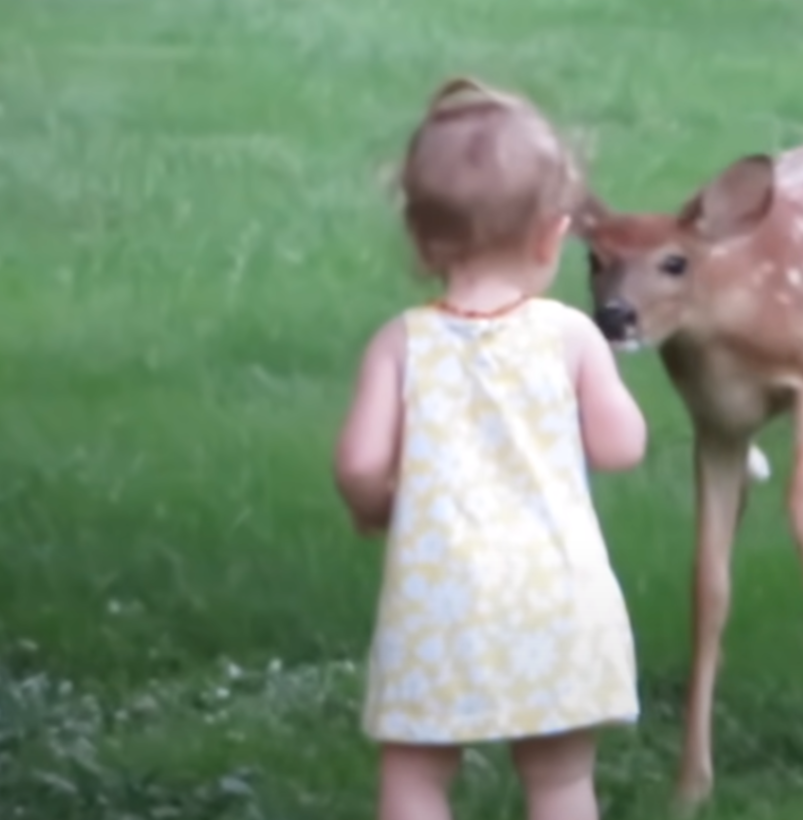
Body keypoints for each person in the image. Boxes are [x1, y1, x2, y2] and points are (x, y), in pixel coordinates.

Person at [330, 76, 650, 820]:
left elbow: (359, 463)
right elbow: (621, 447)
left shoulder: (401, 345)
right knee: (560, 781)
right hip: (558, 599)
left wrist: (374, 506)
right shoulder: (570, 336)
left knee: (416, 775)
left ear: (420, 238)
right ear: (550, 235)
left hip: (438, 602)